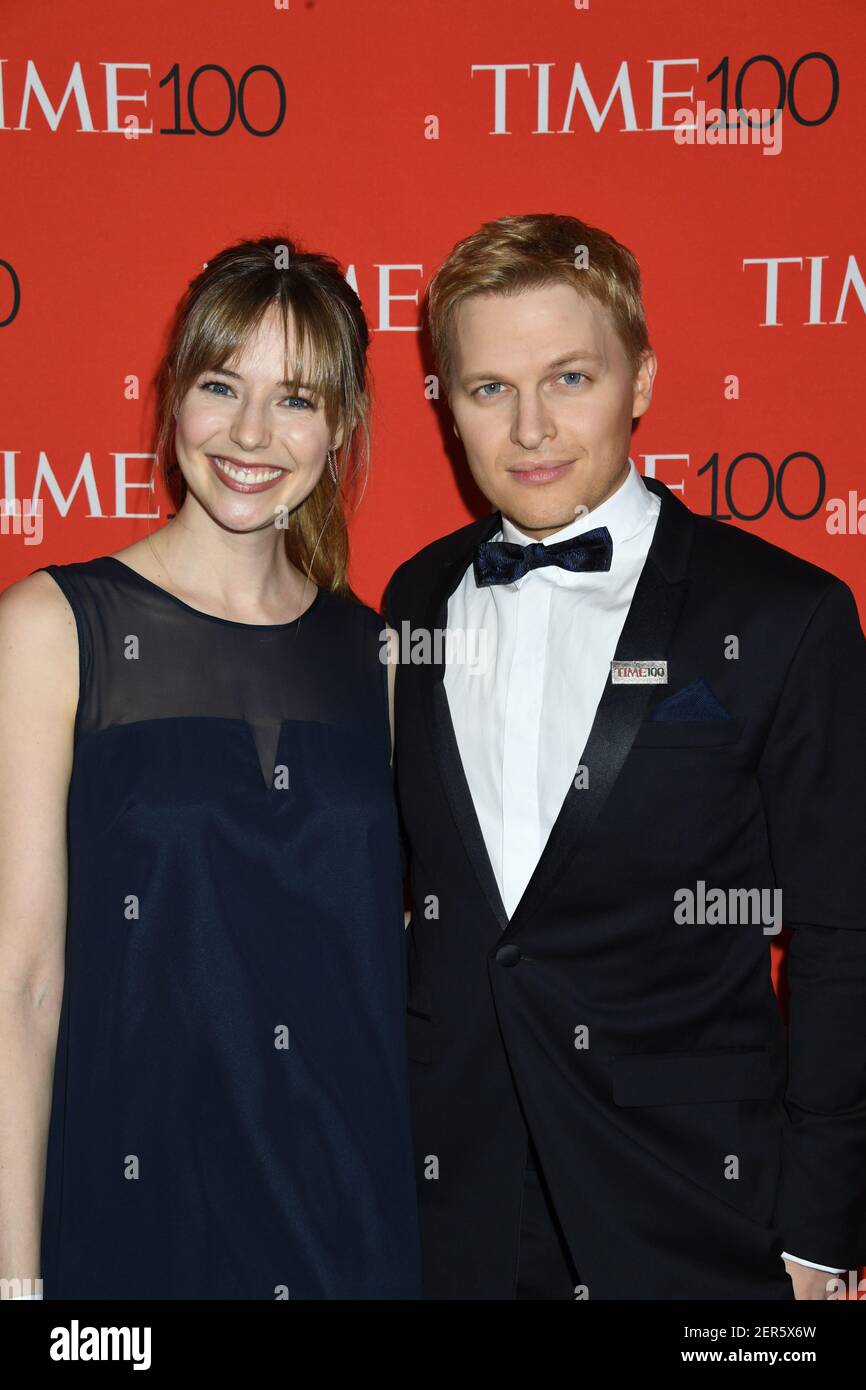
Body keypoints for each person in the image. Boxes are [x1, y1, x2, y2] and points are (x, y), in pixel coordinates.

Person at [382, 212, 866, 1300]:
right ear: (445, 404)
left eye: (569, 377)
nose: (530, 429)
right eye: (487, 388)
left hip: (699, 1210)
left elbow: (843, 933)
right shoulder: (415, 598)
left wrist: (819, 1230)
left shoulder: (785, 614)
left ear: (639, 380)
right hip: (450, 1205)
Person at [0, 235, 422, 1300]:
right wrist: (12, 1280)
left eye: (295, 398)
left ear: (339, 429)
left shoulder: (378, 659)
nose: (248, 433)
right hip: (127, 1212)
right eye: (221, 384)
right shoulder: (54, 628)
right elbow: (21, 988)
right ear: (171, 399)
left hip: (348, 1220)